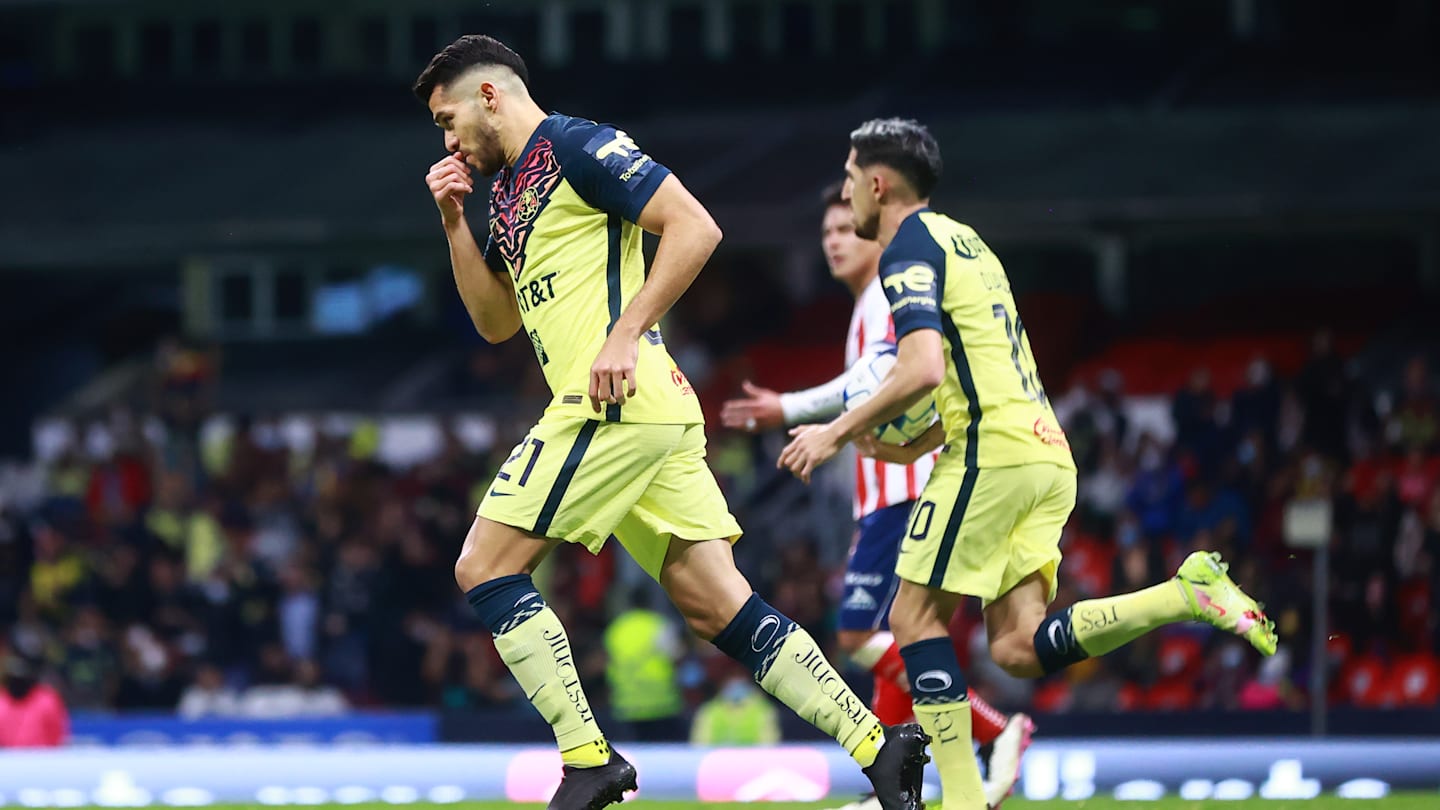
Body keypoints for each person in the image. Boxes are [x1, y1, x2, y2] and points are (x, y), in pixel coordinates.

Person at [412, 36, 928, 810]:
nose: (446, 140)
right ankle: (878, 747)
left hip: (613, 400)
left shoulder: (577, 146)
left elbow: (695, 226)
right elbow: (495, 324)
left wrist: (624, 332)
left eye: (447, 118)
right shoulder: (511, 196)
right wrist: (455, 220)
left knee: (484, 567)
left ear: (489, 95)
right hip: (643, 411)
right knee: (718, 605)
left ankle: (588, 758)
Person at [779, 118, 1278, 809]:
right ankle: (1183, 595)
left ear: (877, 182)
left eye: (847, 178)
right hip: (1044, 452)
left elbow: (922, 368)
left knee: (912, 620)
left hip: (992, 456)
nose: (844, 194)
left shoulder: (907, 249)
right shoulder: (971, 243)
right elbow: (978, 368)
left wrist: (834, 432)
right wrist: (914, 446)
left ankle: (958, 797)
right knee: (1016, 645)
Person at [720, 184, 1033, 807]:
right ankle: (900, 784)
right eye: (826, 234)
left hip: (907, 488)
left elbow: (886, 375)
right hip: (891, 489)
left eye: (844, 229)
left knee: (863, 631)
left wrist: (789, 407)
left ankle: (996, 732)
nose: (833, 241)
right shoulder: (868, 302)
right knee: (897, 631)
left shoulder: (890, 293)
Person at [0, 655, 69, 748]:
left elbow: (57, 735)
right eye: (14, 678)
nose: (18, 684)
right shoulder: (2, 700)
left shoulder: (47, 700)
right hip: (5, 759)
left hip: (42, 758)